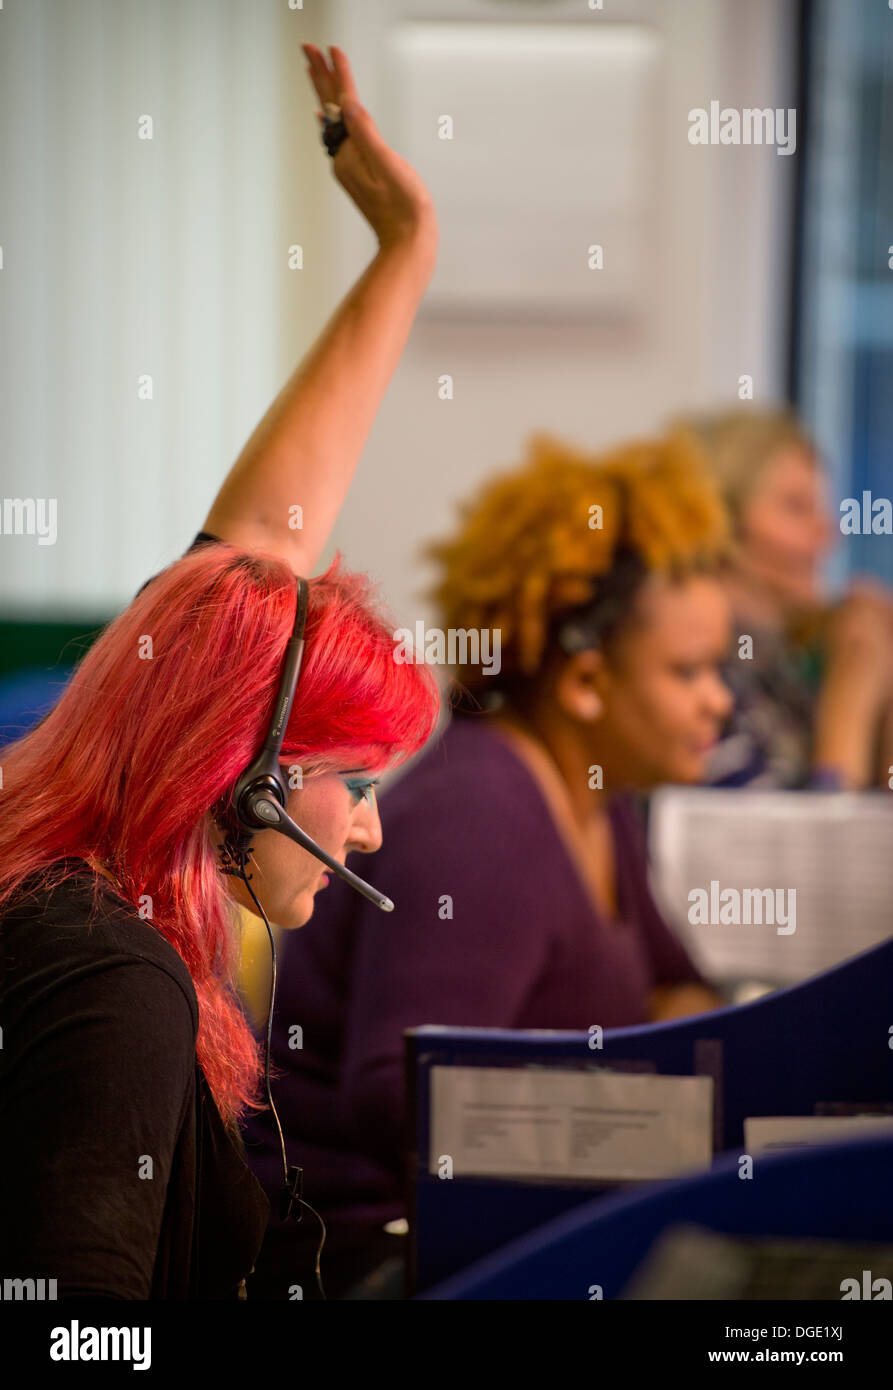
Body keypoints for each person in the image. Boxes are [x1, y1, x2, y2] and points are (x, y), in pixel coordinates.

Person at [0, 43, 441, 1299]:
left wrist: (405, 252)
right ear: (243, 774)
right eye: (354, 778)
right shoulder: (113, 983)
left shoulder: (83, 869)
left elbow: (255, 579)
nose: (365, 826)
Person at [241, 427, 733, 1300]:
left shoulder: (593, 795)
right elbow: (402, 1092)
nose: (719, 699)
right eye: (689, 671)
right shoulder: (482, 815)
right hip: (362, 1259)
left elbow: (677, 992)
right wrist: (657, 1117)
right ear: (585, 684)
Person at [674, 407, 893, 789]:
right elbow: (799, 846)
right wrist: (853, 698)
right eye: (796, 507)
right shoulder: (697, 678)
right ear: (720, 522)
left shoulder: (783, 667)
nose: (827, 534)